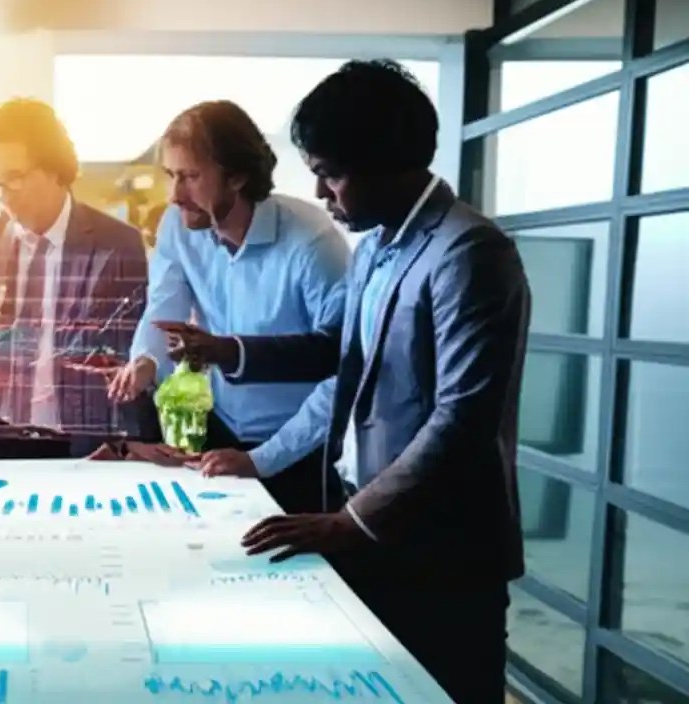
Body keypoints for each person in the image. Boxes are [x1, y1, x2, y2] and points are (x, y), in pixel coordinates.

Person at [234, 60, 530, 703]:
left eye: (329, 174)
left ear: (388, 160)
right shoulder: (375, 247)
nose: (321, 196)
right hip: (366, 534)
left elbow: (462, 418)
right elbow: (343, 363)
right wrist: (226, 355)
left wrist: (351, 523)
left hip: (440, 556)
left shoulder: (469, 252)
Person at [105, 100, 348, 515]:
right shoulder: (177, 227)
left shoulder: (313, 242)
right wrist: (146, 361)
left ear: (237, 176)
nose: (174, 195)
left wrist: (264, 460)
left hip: (299, 447)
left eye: (190, 177)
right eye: (171, 176)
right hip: (219, 432)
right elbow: (164, 307)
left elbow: (343, 372)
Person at [0, 98, 148, 455]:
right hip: (0, 434)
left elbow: (130, 358)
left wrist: (123, 445)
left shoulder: (116, 244)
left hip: (81, 441)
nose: (2, 195)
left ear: (55, 170)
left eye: (15, 179)